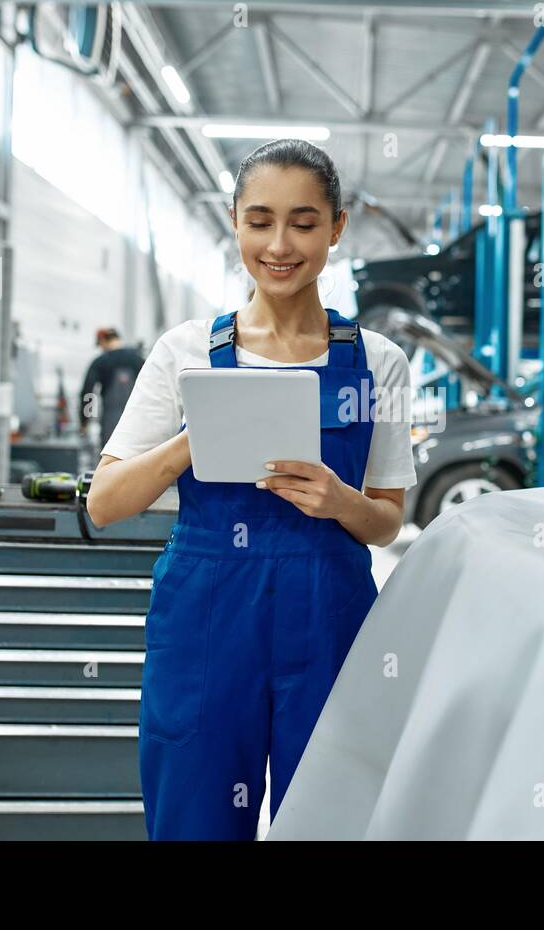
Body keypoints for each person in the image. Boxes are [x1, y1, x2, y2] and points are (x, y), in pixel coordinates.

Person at [85, 139, 418, 840]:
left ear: (337, 227)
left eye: (303, 221)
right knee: (196, 816)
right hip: (208, 613)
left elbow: (387, 520)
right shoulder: (183, 352)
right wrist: (196, 434)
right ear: (234, 220)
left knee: (327, 816)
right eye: (259, 219)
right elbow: (105, 501)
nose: (280, 243)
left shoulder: (378, 362)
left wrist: (339, 501)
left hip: (331, 612)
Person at [79, 328, 144, 450]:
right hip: (136, 422)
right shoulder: (138, 360)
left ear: (103, 340)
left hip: (110, 424)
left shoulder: (100, 362)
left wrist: (85, 421)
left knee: (109, 462)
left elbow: (88, 394)